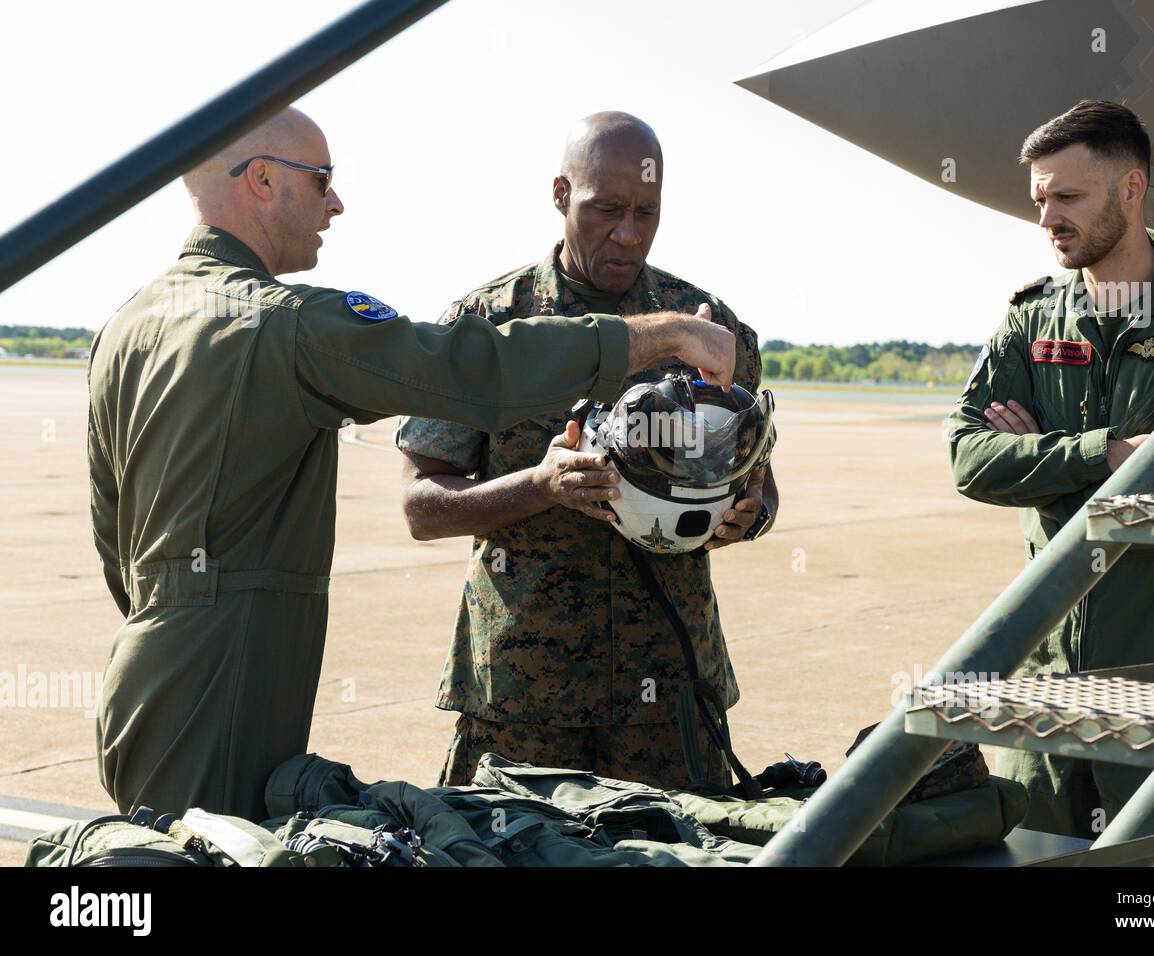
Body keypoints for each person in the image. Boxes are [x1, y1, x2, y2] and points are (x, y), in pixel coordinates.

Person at [88, 107, 736, 820]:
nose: (335, 202)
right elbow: (468, 372)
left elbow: (112, 533)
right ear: (263, 180)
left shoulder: (127, 324)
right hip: (227, 686)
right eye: (322, 180)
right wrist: (661, 336)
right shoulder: (284, 323)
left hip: (145, 674)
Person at [397, 112, 778, 789]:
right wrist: (539, 486)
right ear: (559, 195)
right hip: (525, 699)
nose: (628, 234)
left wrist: (750, 514)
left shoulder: (709, 327)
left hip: (668, 692)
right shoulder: (485, 324)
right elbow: (423, 507)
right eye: (606, 210)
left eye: (646, 213)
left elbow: (762, 483)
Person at [947, 100, 1154, 866]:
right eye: (1040, 201)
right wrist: (1109, 449)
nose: (1047, 218)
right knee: (1038, 855)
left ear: (1131, 189)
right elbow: (967, 457)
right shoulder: (1031, 316)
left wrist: (1044, 460)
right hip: (1047, 670)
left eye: (1067, 197)